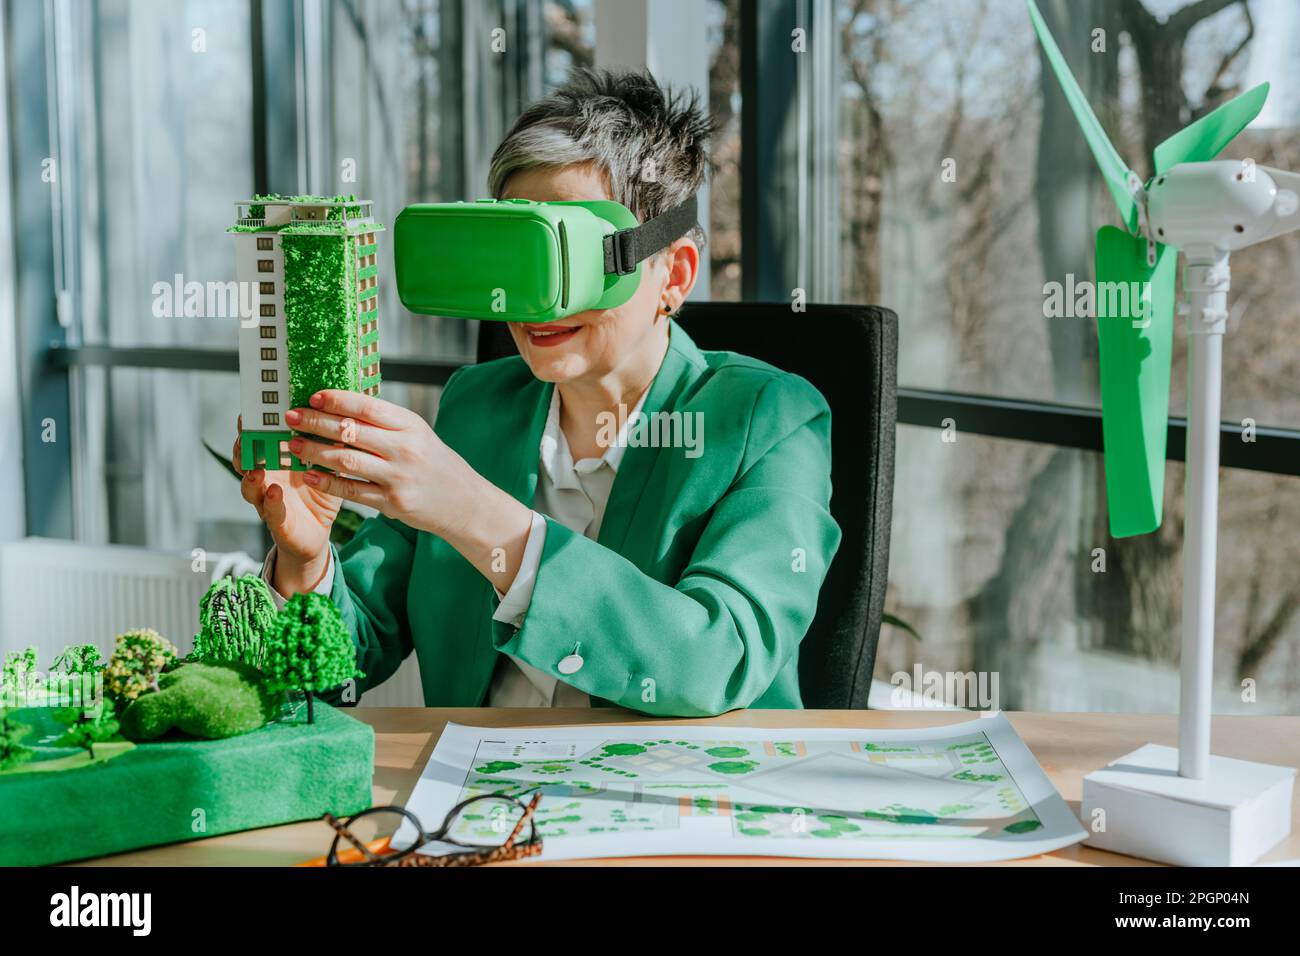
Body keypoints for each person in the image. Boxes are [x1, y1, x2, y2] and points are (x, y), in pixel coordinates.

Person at [232, 69, 840, 716]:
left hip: (669, 800)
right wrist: (305, 559)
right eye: (520, 255)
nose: (538, 303)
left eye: (571, 258)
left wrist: (471, 512)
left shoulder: (769, 421)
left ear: (675, 275)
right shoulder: (474, 407)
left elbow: (717, 660)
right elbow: (339, 671)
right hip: (471, 801)